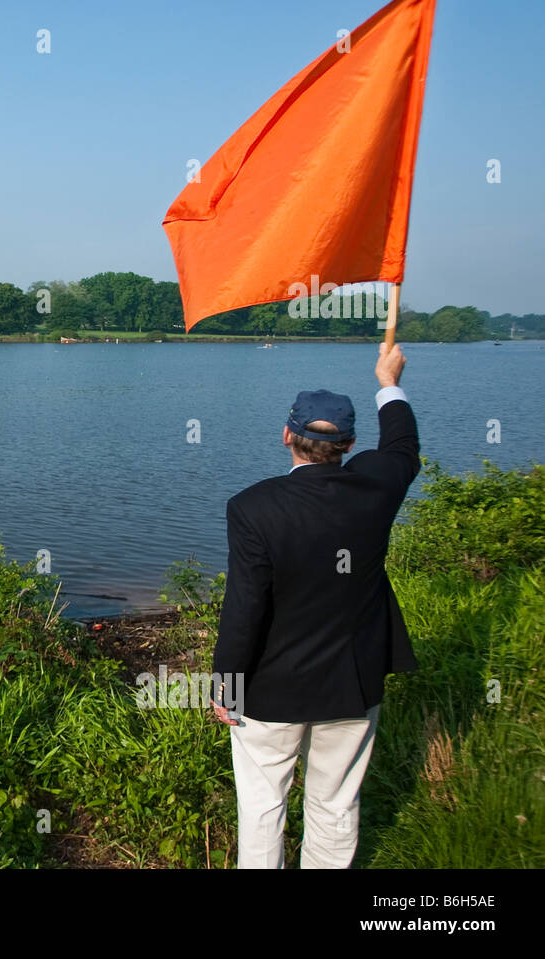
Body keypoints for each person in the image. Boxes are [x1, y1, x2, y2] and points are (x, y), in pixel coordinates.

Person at [210, 342, 420, 868]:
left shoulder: (252, 506)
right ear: (348, 444)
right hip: (353, 680)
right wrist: (387, 381)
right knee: (335, 803)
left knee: (262, 804)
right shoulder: (378, 484)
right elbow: (401, 446)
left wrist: (225, 684)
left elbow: (245, 607)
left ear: (287, 436)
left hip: (269, 687)